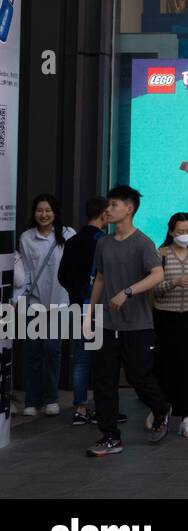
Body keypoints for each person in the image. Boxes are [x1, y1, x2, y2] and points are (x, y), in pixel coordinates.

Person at [86, 186, 171, 457]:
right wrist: (90, 312)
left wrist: (128, 291)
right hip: (108, 324)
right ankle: (110, 435)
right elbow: (100, 277)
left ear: (129, 208)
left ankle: (160, 408)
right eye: (107, 206)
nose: (107, 210)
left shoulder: (143, 242)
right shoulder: (104, 242)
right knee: (103, 380)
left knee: (138, 376)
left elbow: (157, 275)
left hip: (138, 325)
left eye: (113, 205)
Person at [151, 213, 188, 438]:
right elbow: (154, 289)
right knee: (166, 365)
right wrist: (174, 282)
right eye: (181, 231)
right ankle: (162, 409)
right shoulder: (160, 254)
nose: (185, 235)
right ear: (171, 232)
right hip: (166, 316)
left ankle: (187, 417)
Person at [15, 195, 76, 416]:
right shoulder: (26, 238)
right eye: (39, 210)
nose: (43, 214)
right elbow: (26, 272)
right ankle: (32, 400)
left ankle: (51, 398)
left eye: (48, 210)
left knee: (52, 349)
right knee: (33, 352)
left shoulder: (68, 235)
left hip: (59, 302)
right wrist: (20, 298)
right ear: (34, 213)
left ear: (55, 212)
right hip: (35, 302)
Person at [58, 196, 110, 425]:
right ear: (103, 215)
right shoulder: (103, 241)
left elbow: (62, 276)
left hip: (78, 307)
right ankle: (105, 409)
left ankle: (79, 408)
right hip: (99, 308)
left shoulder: (73, 240)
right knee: (103, 359)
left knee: (81, 357)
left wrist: (77, 295)